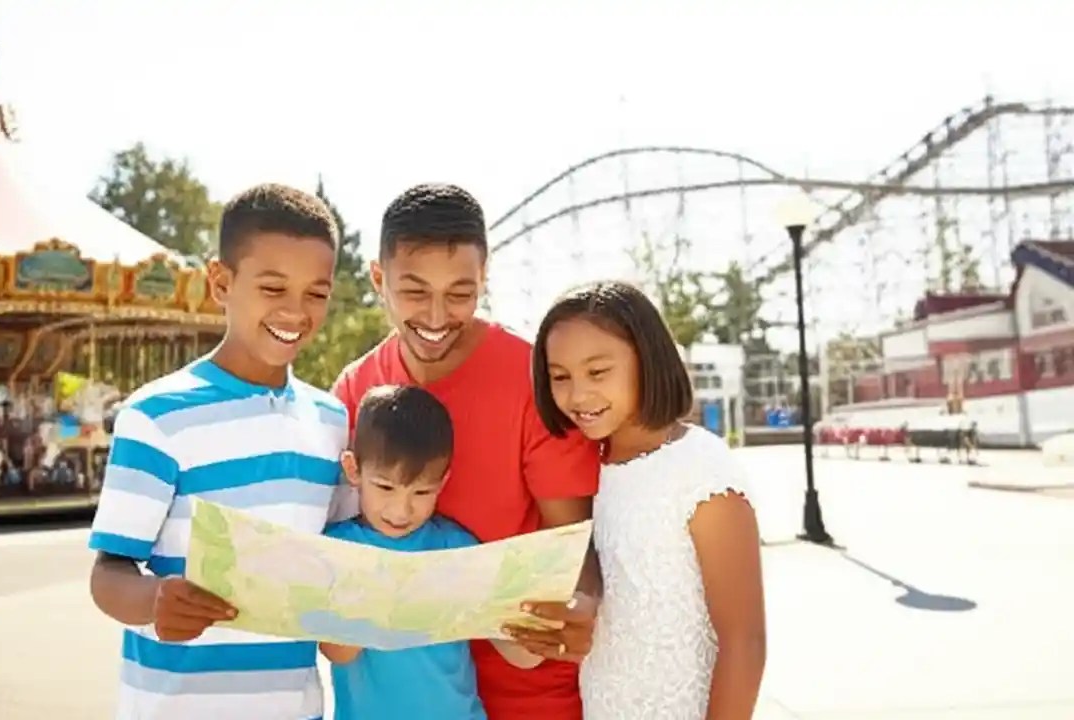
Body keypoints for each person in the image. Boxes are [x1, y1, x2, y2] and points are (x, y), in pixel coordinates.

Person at [332, 183, 601, 720]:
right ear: (378, 279)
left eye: (460, 292)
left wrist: (584, 603)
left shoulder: (532, 381)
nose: (437, 315)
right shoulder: (355, 390)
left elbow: (573, 547)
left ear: (485, 277)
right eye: (414, 292)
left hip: (529, 691)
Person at [86, 183, 354, 720]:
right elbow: (109, 573)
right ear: (221, 283)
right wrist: (155, 601)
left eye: (316, 293)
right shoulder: (156, 416)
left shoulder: (332, 422)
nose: (296, 311)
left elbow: (342, 565)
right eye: (273, 287)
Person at [528, 280, 767, 720]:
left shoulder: (702, 470)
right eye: (560, 377)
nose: (578, 395)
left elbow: (745, 641)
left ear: (647, 359)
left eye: (598, 372)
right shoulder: (587, 469)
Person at [320, 384, 542, 720]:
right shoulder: (339, 548)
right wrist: (388, 588)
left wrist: (537, 627)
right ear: (353, 470)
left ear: (443, 482)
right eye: (385, 487)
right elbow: (338, 652)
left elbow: (522, 655)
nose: (401, 510)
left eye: (422, 492)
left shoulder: (456, 549)